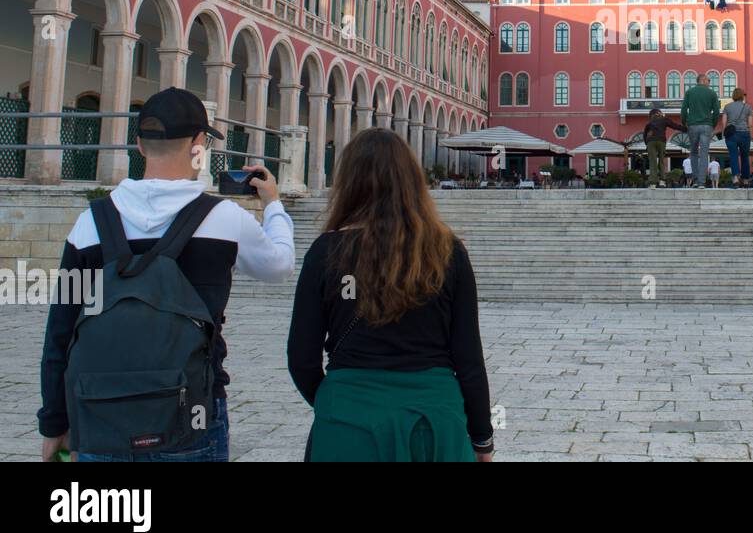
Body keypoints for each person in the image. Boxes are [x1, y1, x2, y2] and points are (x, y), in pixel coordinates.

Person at [39, 87, 294, 462]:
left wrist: (54, 424)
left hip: (99, 418)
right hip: (191, 415)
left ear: (140, 145)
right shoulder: (223, 219)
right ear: (198, 145)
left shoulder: (90, 223)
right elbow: (279, 266)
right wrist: (273, 203)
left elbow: (59, 332)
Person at [288, 128, 493, 462]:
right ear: (412, 182)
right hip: (433, 419)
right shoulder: (449, 253)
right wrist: (482, 439)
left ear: (349, 183)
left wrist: (340, 404)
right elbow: (469, 359)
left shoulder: (325, 252)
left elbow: (301, 358)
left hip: (348, 421)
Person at [680, 74, 720, 189]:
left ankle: (696, 180)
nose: (709, 82)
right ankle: (702, 182)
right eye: (708, 80)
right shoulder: (712, 93)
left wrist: (684, 122)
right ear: (702, 80)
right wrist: (713, 124)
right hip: (706, 125)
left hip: (692, 125)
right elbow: (716, 111)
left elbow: (683, 109)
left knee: (693, 152)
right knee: (704, 153)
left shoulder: (689, 92)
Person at [631, 108, 685, 188]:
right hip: (661, 141)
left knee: (652, 161)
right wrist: (686, 129)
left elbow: (645, 135)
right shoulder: (664, 119)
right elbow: (675, 126)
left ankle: (653, 183)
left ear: (651, 115)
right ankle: (662, 181)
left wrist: (647, 144)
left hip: (650, 142)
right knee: (661, 161)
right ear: (659, 113)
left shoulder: (649, 123)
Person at [720, 88, 753, 187]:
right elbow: (750, 124)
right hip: (744, 133)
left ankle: (735, 178)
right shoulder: (747, 107)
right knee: (745, 156)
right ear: (742, 96)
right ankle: (746, 180)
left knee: (733, 155)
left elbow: (724, 122)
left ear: (733, 96)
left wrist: (724, 132)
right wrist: (749, 134)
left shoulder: (727, 107)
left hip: (731, 134)